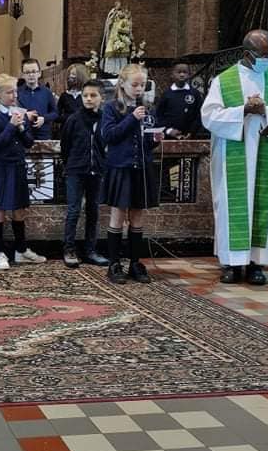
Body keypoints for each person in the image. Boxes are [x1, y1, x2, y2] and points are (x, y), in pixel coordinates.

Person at [201, 29, 268, 286]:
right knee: (231, 206)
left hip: (267, 151)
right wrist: (242, 110)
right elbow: (209, 115)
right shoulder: (224, 80)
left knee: (263, 204)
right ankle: (232, 264)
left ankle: (256, 264)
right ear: (247, 54)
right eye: (263, 55)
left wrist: (266, 110)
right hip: (233, 152)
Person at [101, 63, 163, 285]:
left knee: (137, 215)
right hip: (121, 167)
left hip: (141, 168)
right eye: (134, 84)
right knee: (118, 214)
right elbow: (109, 135)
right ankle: (114, 263)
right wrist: (131, 118)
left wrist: (154, 140)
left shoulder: (147, 108)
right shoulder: (112, 108)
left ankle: (135, 262)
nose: (138, 89)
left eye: (142, 85)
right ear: (123, 84)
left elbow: (145, 142)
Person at [0, 73, 46, 271]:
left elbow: (28, 142)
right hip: (0, 167)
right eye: (10, 92)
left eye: (15, 92)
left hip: (17, 165)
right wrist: (11, 126)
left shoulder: (19, 113)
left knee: (19, 209)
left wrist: (21, 127)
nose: (14, 96)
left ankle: (21, 250)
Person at [60, 80, 108, 268]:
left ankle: (90, 250)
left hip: (97, 170)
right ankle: (69, 249)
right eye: (85, 95)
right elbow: (65, 146)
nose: (88, 99)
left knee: (93, 210)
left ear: (102, 98)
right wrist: (71, 164)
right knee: (74, 210)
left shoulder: (105, 119)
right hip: (75, 170)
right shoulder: (73, 119)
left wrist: (101, 163)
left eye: (93, 95)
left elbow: (106, 143)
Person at [155, 61, 204, 138]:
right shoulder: (166, 94)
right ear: (172, 74)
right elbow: (159, 115)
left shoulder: (195, 93)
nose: (182, 75)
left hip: (190, 137)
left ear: (189, 74)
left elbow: (200, 114)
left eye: (185, 72)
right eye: (179, 72)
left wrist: (192, 131)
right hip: (169, 138)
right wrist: (168, 130)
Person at [17, 58, 58, 140]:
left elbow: (55, 113)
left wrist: (44, 118)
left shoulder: (47, 92)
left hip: (44, 136)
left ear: (39, 73)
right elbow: (13, 113)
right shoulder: (17, 93)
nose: (31, 75)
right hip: (23, 136)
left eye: (33, 72)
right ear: (22, 75)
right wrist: (26, 116)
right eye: (27, 72)